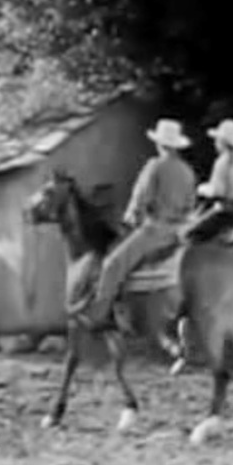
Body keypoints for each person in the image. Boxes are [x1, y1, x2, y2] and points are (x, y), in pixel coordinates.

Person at [76, 118, 197, 331]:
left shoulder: (155, 166)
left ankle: (100, 314)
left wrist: (131, 217)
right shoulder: (188, 171)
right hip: (179, 231)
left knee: (112, 264)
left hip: (156, 229)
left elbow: (141, 197)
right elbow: (190, 204)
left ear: (160, 144)